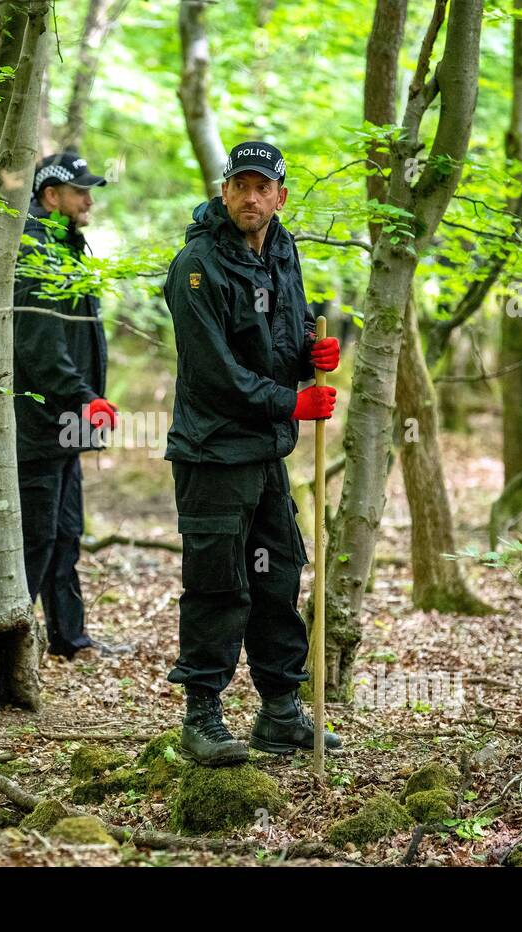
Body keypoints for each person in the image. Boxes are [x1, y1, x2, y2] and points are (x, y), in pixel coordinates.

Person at [162, 141, 344, 765]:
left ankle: (280, 712)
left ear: (280, 197)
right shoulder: (195, 267)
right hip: (213, 451)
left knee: (277, 576)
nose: (249, 196)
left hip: (266, 450)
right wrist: (289, 402)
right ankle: (202, 715)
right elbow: (214, 372)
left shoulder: (283, 253)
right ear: (223, 191)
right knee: (219, 583)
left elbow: (282, 341)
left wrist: (309, 362)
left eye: (261, 186)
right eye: (239, 185)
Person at [13, 152, 125, 661]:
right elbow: (40, 345)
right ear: (50, 196)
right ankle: (11, 646)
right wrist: (84, 397)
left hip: (68, 423)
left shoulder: (67, 246)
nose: (90, 200)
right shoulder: (34, 249)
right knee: (35, 536)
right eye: (81, 191)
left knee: (65, 532)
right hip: (40, 421)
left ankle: (68, 637)